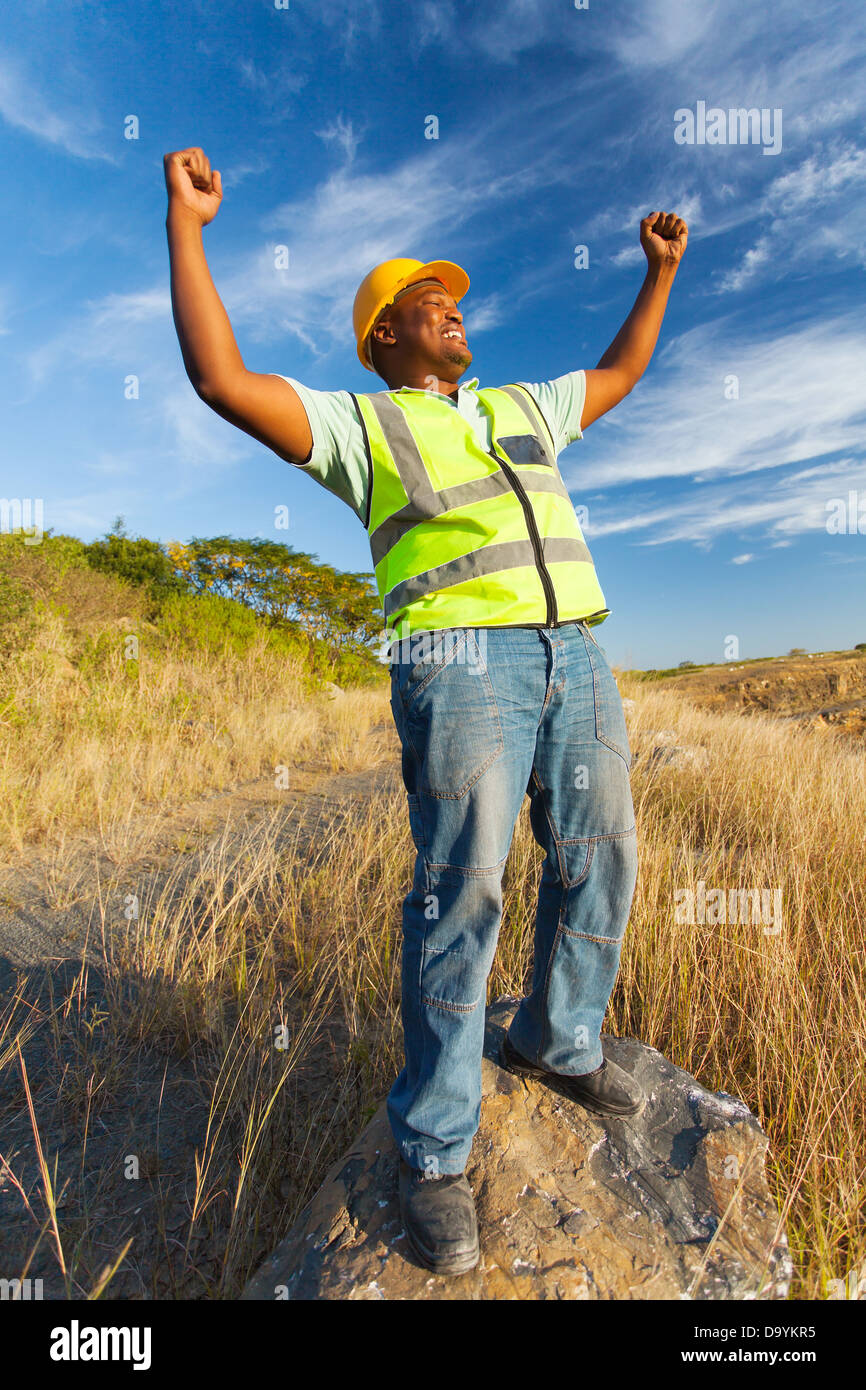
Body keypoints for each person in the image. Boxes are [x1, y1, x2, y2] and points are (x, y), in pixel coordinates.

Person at [163, 146, 688, 1277]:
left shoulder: (517, 408)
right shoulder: (362, 429)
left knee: (601, 856)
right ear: (383, 339)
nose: (449, 312)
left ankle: (558, 1041)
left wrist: (654, 275)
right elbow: (219, 379)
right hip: (460, 661)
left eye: (452, 303)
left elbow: (621, 374)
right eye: (424, 305)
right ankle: (435, 1150)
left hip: (576, 651)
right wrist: (188, 224)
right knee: (468, 887)